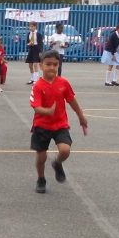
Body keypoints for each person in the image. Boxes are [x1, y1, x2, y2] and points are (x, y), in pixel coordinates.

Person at [29, 51, 88, 193]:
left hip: (60, 124)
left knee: (65, 150)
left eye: (55, 64)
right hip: (41, 126)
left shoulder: (63, 83)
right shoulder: (38, 86)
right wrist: (47, 111)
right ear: (41, 66)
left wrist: (80, 116)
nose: (52, 67)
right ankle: (41, 179)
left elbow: (71, 100)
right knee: (41, 156)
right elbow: (36, 107)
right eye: (48, 64)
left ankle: (57, 163)